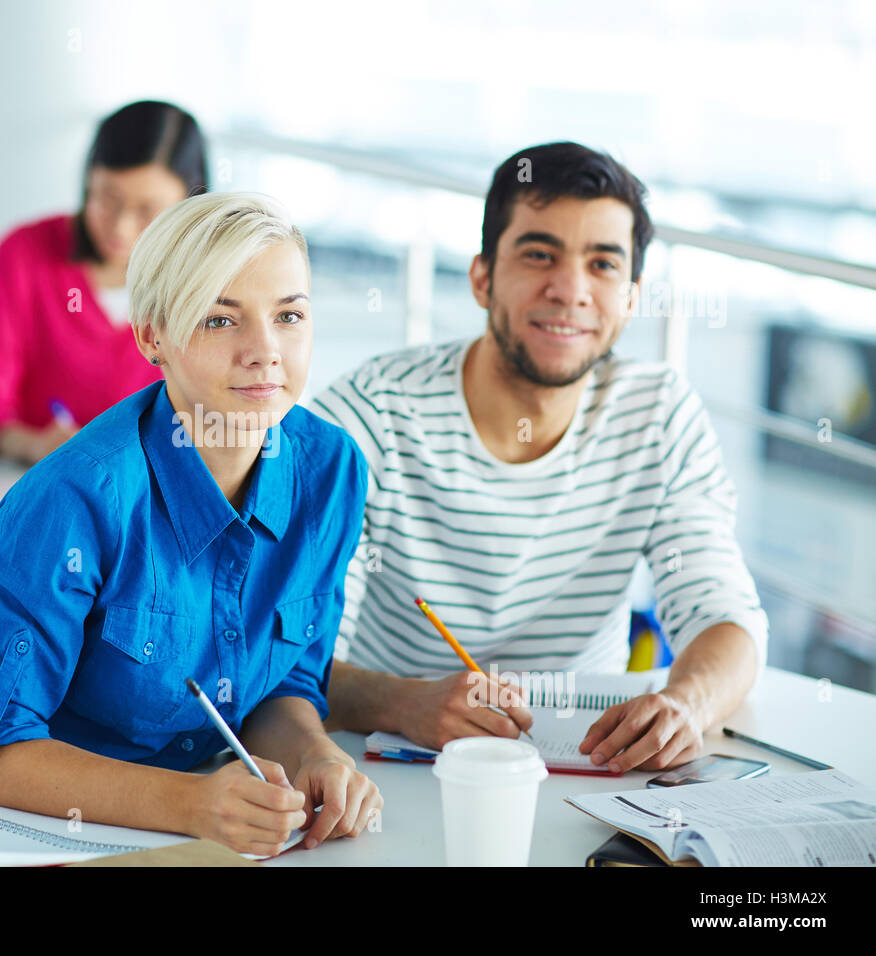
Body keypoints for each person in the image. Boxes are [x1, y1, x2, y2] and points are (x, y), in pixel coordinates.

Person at [0, 192, 382, 857]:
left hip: (163, 839)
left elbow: (285, 682)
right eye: (219, 319)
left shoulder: (331, 471)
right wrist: (193, 803)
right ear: (153, 336)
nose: (266, 352)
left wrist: (316, 757)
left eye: (289, 315)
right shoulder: (76, 497)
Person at [313, 142, 768, 774]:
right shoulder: (371, 416)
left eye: (603, 264)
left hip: (595, 768)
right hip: (398, 766)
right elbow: (292, 653)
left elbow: (726, 618)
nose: (570, 290)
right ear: (481, 276)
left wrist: (686, 705)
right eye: (538, 254)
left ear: (632, 296)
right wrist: (401, 702)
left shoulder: (660, 416)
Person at [0, 100, 207, 465]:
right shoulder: (23, 255)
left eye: (147, 210)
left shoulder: (210, 284)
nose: (121, 227)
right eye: (106, 198)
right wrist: (31, 444)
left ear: (189, 207)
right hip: (36, 482)